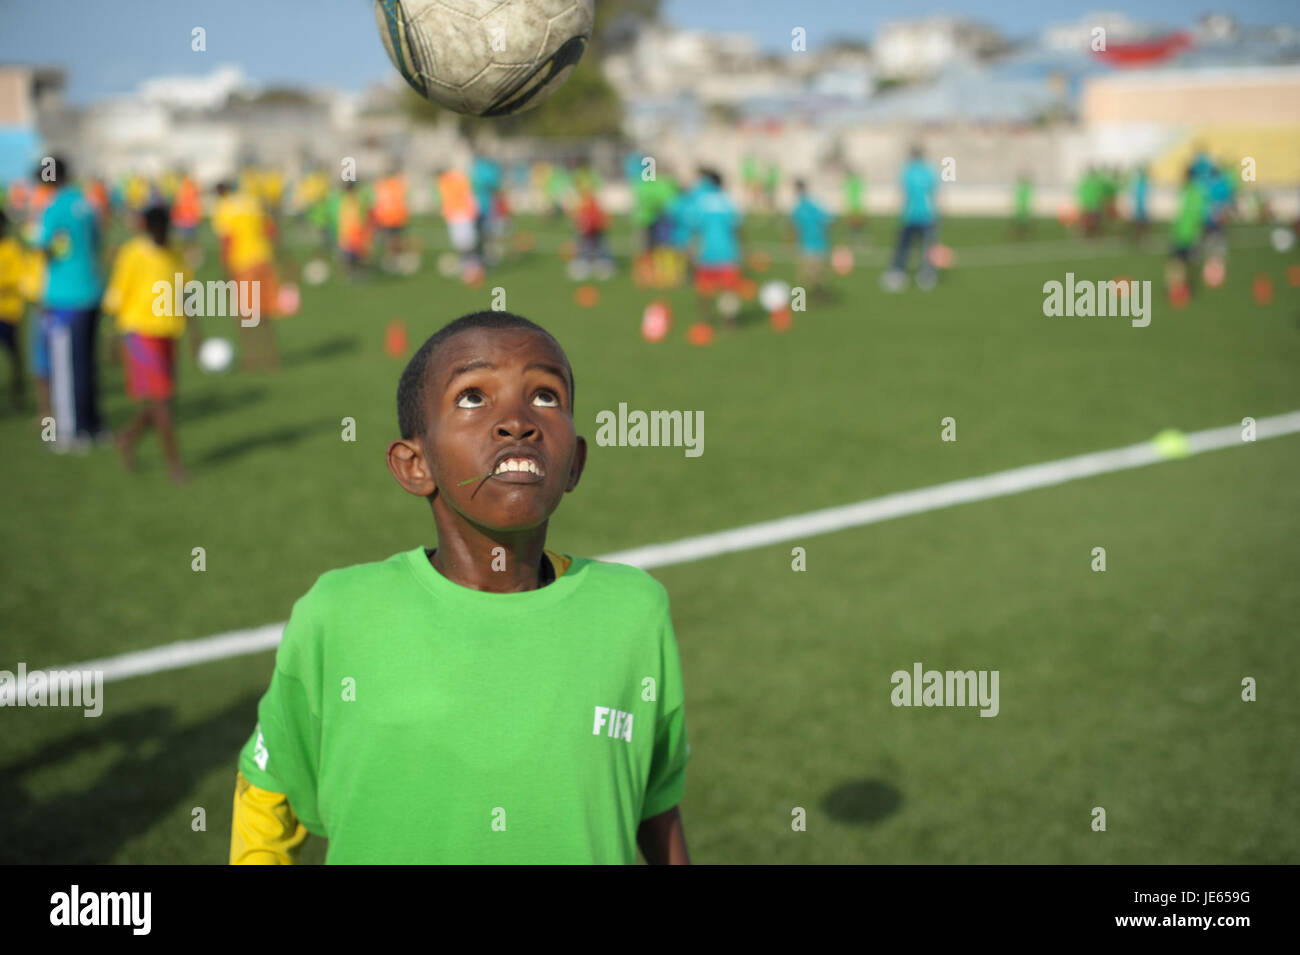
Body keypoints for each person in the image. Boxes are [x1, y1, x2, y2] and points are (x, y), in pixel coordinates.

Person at [229, 311, 691, 864]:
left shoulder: (634, 611)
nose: (517, 421)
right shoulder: (337, 613)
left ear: (576, 463)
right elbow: (269, 787)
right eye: (473, 398)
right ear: (413, 464)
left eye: (545, 396)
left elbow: (653, 806)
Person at [103, 205, 189, 483]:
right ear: (147, 228)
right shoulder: (132, 254)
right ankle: (175, 465)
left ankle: (128, 437)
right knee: (162, 401)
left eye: (167, 229)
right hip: (140, 335)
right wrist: (113, 341)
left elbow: (187, 290)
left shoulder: (175, 251)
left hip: (169, 332)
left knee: (163, 401)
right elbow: (118, 295)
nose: (163, 234)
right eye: (158, 229)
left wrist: (196, 334)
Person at [34, 156, 105, 450]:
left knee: (65, 368)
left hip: (65, 297)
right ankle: (94, 425)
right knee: (86, 363)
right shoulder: (87, 204)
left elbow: (44, 247)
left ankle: (71, 431)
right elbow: (95, 242)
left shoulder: (54, 208)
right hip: (91, 291)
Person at [212, 179, 281, 370]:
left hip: (242, 263)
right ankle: (271, 355)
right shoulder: (253, 202)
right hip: (263, 259)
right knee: (265, 312)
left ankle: (251, 357)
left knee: (245, 314)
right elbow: (271, 230)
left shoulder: (224, 207)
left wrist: (225, 267)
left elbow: (227, 239)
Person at [684, 168, 743, 326]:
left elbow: (694, 227)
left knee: (704, 290)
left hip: (707, 253)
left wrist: (690, 249)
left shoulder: (701, 202)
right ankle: (729, 321)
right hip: (727, 252)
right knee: (729, 291)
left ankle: (704, 320)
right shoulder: (728, 201)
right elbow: (737, 227)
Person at [884, 146, 938, 291]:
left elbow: (904, 194)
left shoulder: (907, 171)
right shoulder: (929, 171)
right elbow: (934, 194)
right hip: (927, 215)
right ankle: (927, 275)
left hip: (910, 215)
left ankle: (898, 274)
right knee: (927, 247)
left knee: (903, 247)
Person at [790, 179, 834, 302]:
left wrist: (793, 241)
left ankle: (803, 302)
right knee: (811, 275)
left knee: (811, 275)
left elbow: (795, 227)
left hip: (813, 244)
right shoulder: (807, 205)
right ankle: (811, 298)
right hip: (812, 244)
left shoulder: (805, 206)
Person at [0, 209, 27, 409]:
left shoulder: (11, 248)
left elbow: (19, 276)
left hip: (9, 312)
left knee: (14, 355)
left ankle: (18, 393)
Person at [436, 166, 480, 276]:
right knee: (461, 244)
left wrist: (472, 210)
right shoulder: (443, 183)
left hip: (463, 215)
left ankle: (474, 268)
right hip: (453, 216)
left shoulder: (457, 181)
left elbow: (468, 196)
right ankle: (467, 267)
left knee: (468, 243)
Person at [1012, 172, 1033, 239]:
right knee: (1021, 222)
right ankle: (1020, 233)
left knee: (1024, 222)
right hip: (1021, 207)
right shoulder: (1021, 188)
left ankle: (1022, 233)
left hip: (1024, 207)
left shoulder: (1024, 189)